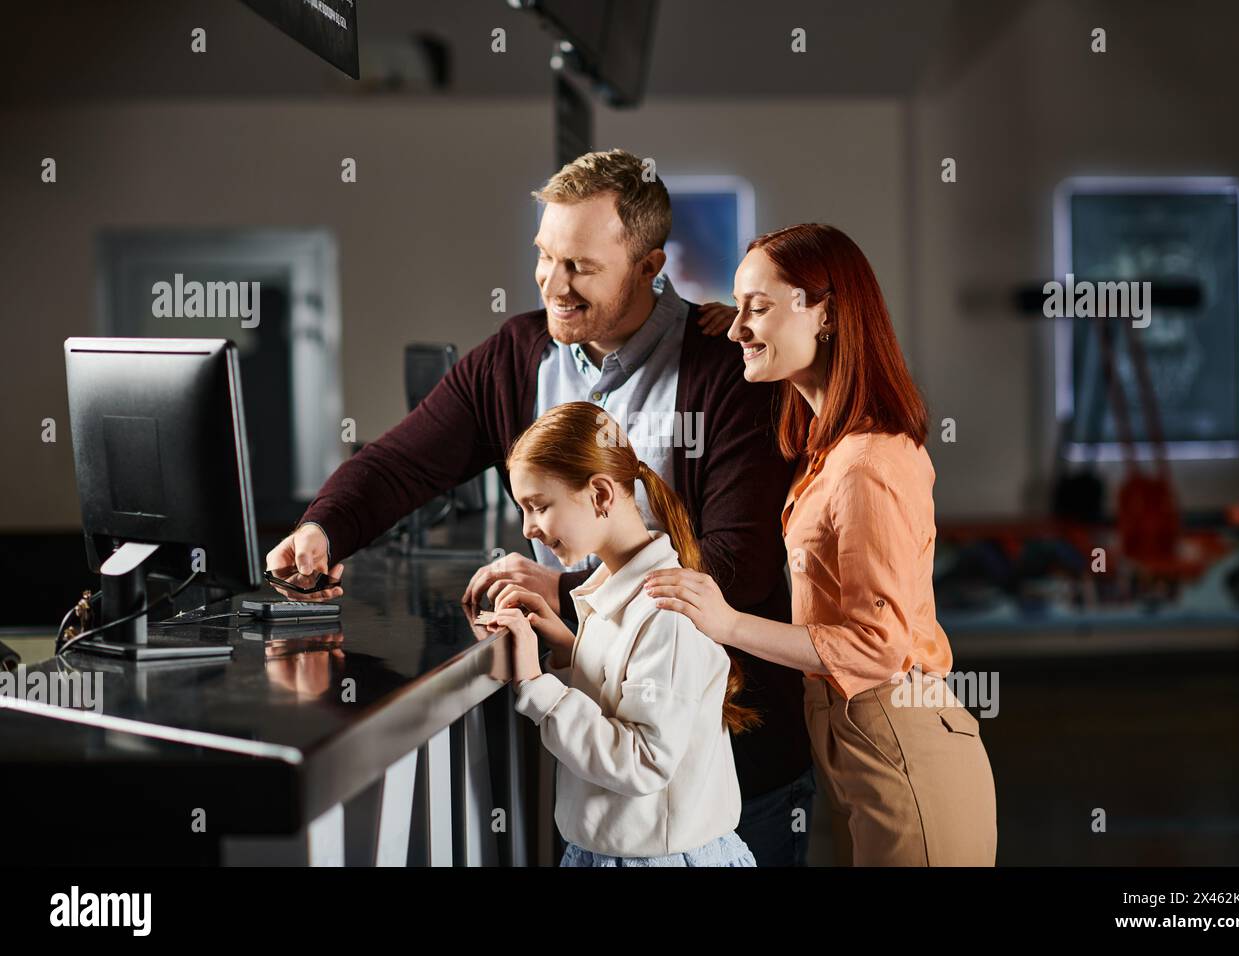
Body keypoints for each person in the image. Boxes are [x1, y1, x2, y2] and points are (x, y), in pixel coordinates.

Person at [265, 149, 815, 865]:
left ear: (651, 268)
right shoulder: (515, 356)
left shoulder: (724, 371)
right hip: (602, 779)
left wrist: (564, 589)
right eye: (544, 257)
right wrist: (322, 527)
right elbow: (402, 460)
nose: (554, 285)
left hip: (737, 767)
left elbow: (732, 571)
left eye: (581, 267)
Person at [643, 223, 998, 866]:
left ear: (827, 313)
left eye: (757, 307)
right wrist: (755, 318)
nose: (734, 329)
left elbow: (876, 644)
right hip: (866, 742)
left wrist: (726, 623)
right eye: (737, 307)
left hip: (904, 744)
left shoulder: (866, 463)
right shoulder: (824, 447)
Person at [482, 402, 755, 866]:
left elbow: (644, 759)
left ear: (600, 495)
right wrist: (566, 649)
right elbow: (623, 689)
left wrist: (535, 685)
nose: (528, 528)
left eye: (538, 506)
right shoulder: (615, 593)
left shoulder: (665, 615)